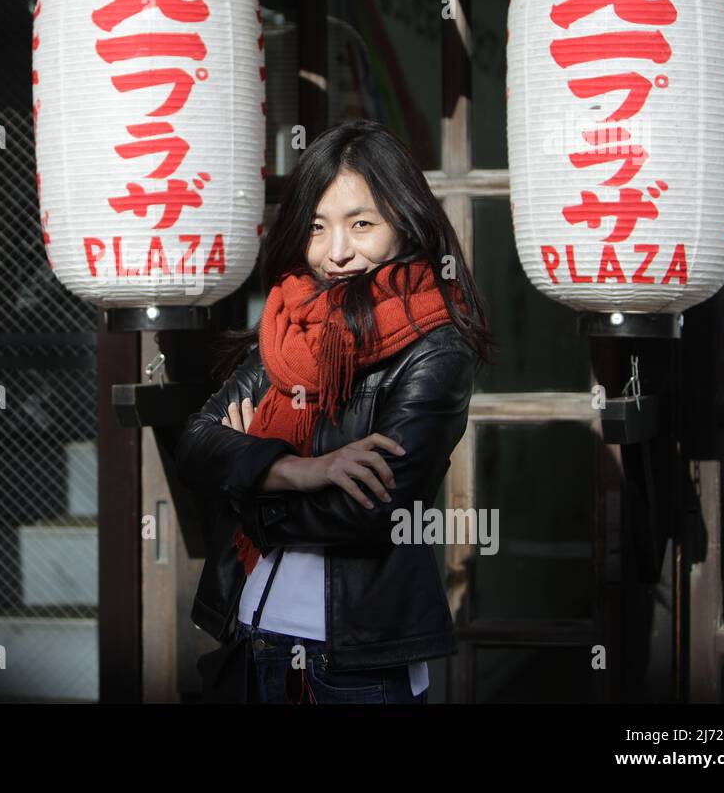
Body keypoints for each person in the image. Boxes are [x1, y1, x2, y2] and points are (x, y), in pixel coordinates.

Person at [176, 118, 493, 704]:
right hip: (250, 634)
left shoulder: (436, 348)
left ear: (405, 221)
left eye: (362, 224)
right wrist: (298, 470)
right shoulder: (290, 326)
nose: (336, 252)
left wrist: (245, 481)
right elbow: (195, 443)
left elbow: (369, 511)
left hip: (349, 663)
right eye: (318, 228)